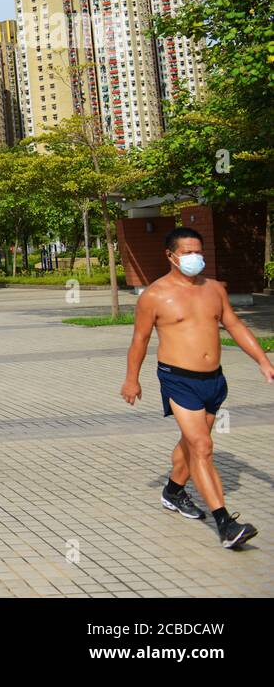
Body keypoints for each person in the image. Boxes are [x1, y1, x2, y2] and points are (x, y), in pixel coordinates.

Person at [123, 227, 274, 549]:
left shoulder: (214, 289)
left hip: (214, 380)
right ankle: (225, 524)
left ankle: (174, 491)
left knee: (193, 446)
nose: (195, 258)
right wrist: (131, 379)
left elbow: (233, 323)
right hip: (178, 379)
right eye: (188, 252)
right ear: (171, 255)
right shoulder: (154, 295)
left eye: (198, 251)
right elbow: (140, 339)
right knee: (203, 447)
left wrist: (263, 360)